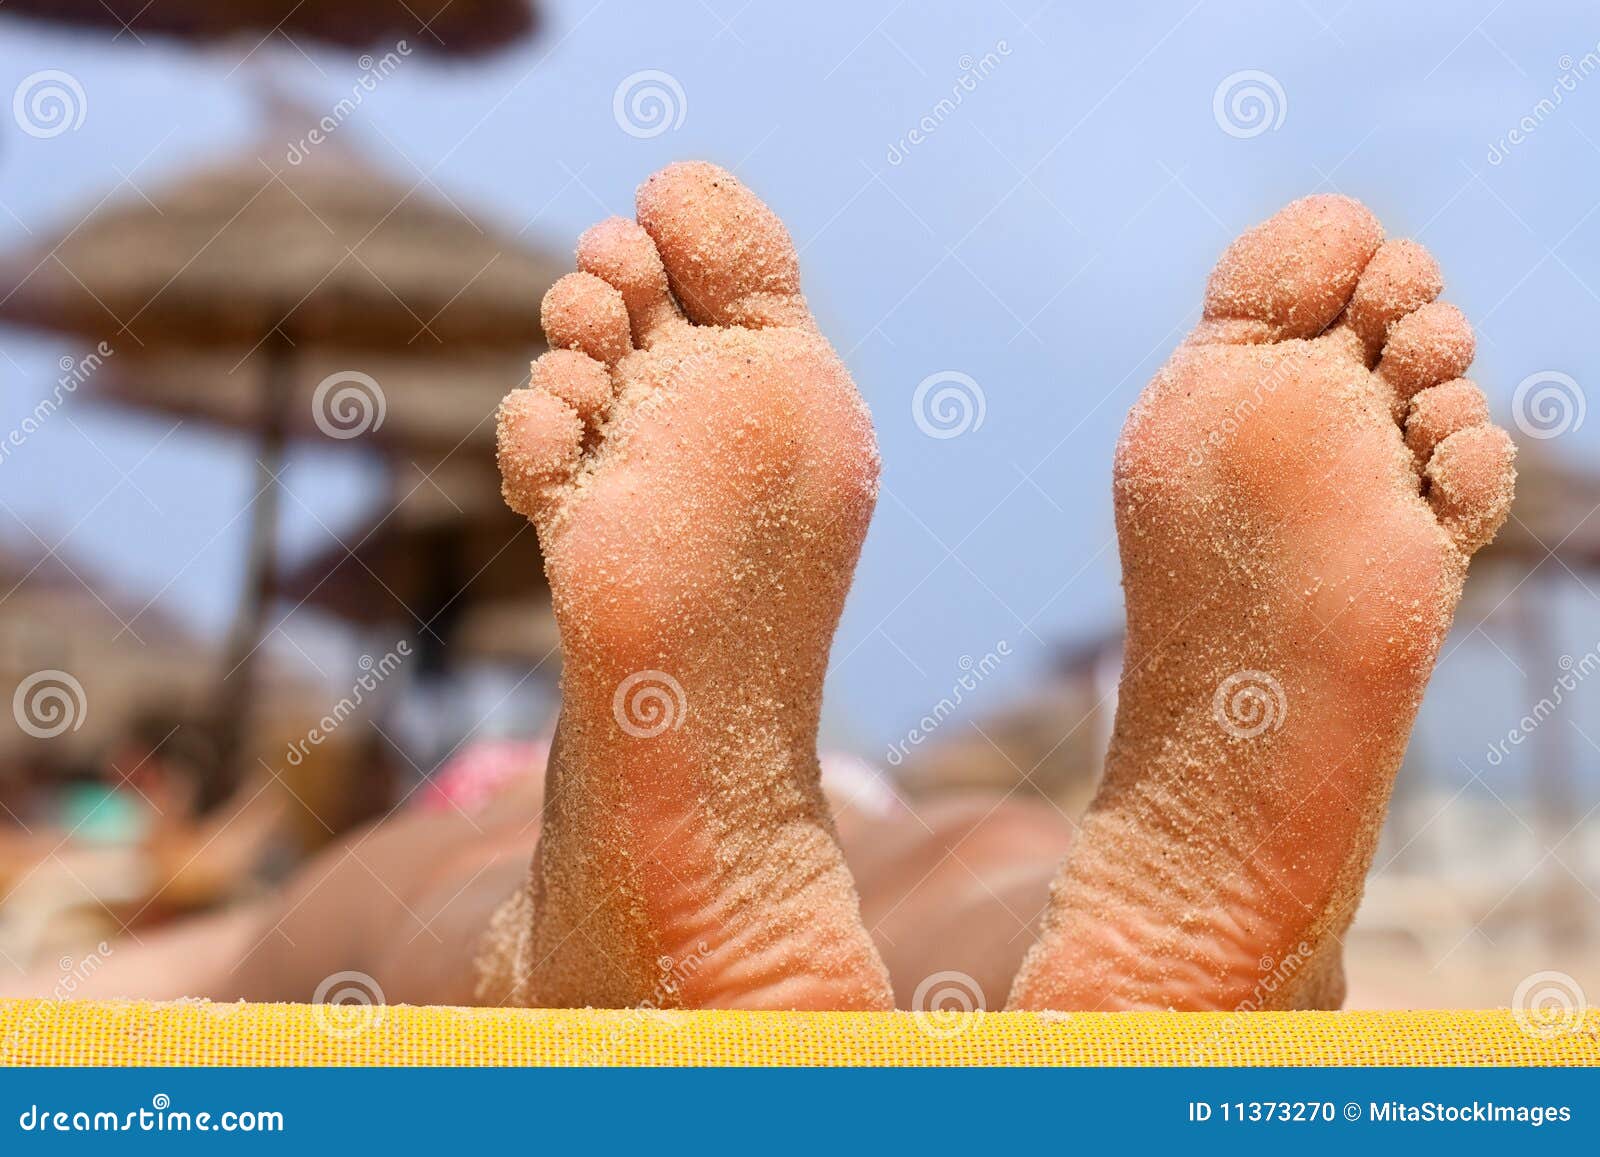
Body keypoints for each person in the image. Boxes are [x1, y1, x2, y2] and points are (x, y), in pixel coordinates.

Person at [1, 164, 1514, 1014]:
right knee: (982, 852)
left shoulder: (332, 805)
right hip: (842, 796)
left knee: (376, 910)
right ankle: (1169, 981)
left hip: (520, 809)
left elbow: (119, 993)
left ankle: (572, 947)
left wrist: (118, 937)